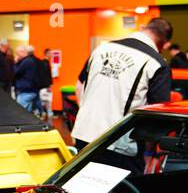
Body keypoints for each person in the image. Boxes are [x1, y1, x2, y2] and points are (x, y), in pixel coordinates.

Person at [71, 16, 174, 149]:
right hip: (120, 144)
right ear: (166, 44)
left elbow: (79, 87)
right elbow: (158, 112)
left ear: (143, 28)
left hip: (83, 134)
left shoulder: (101, 49)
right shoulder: (156, 63)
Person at [13, 44, 43, 114]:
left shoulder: (26, 62)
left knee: (21, 113)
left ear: (23, 52)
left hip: (26, 91)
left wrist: (15, 63)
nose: (17, 55)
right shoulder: (30, 61)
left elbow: (15, 72)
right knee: (27, 113)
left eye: (17, 53)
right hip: (31, 89)